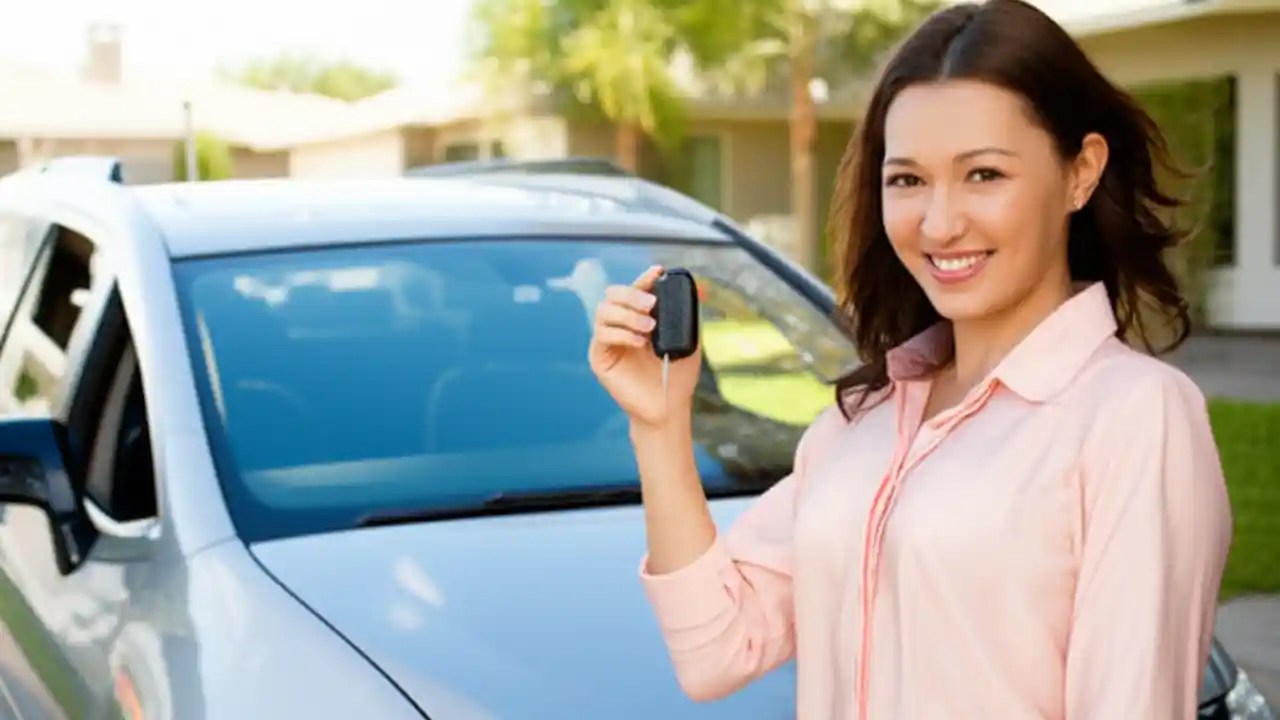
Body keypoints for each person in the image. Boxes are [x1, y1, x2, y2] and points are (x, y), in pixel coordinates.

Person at [586, 0, 1235, 718]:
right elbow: (716, 651)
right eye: (907, 180)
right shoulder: (862, 424)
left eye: (984, 175)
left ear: (1080, 173)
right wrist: (659, 425)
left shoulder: (1135, 417)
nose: (939, 222)